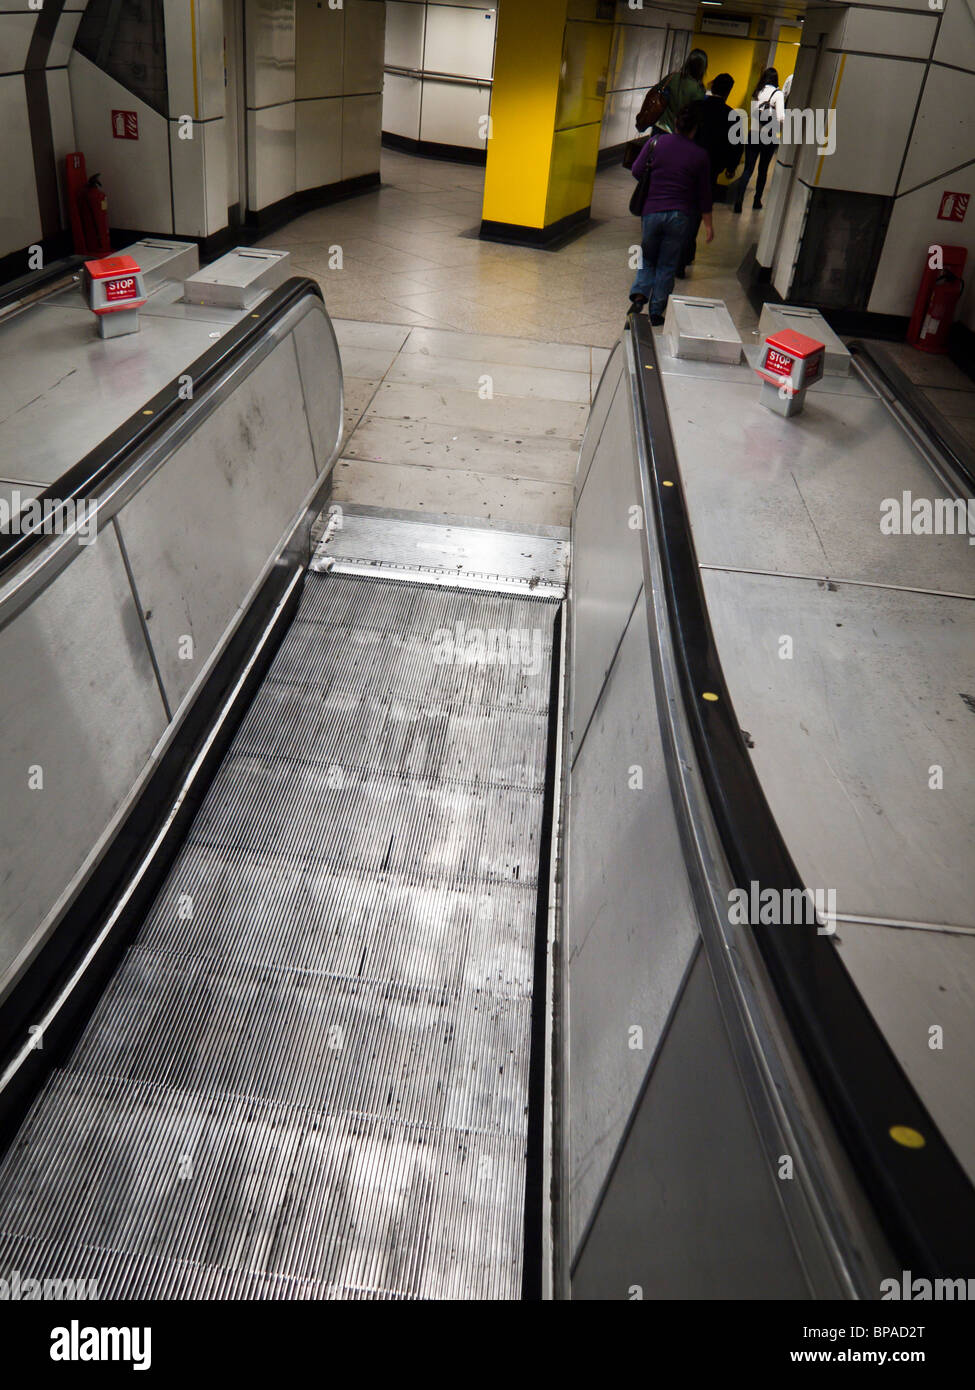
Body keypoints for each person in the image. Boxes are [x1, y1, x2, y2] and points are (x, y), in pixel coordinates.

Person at [628, 101, 714, 326]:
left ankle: (639, 297)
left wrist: (656, 183)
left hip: (652, 211)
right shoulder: (700, 155)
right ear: (695, 128)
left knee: (646, 256)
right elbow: (704, 193)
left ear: (675, 123)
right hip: (680, 216)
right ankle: (656, 312)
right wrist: (708, 225)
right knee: (667, 263)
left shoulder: (656, 142)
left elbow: (637, 170)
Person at [676, 72, 740, 276]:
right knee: (696, 212)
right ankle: (685, 254)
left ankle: (675, 251)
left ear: (712, 86)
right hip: (710, 171)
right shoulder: (733, 116)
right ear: (729, 91)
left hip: (684, 166)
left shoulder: (695, 107)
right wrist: (730, 168)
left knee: (680, 208)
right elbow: (736, 146)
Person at [733, 67, 784, 213]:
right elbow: (781, 117)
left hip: (753, 134)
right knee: (763, 170)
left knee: (748, 169)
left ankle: (738, 200)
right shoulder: (778, 94)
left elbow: (753, 113)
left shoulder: (757, 92)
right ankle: (757, 201)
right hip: (769, 136)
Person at [636, 49, 708, 137]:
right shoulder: (698, 91)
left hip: (659, 127)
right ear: (702, 68)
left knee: (655, 150)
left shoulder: (673, 77)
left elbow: (654, 91)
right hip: (678, 133)